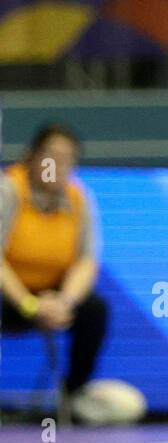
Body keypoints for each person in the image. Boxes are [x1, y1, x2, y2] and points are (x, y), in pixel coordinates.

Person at [1, 123, 110, 412]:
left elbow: (87, 261)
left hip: (52, 297)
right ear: (30, 156)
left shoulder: (78, 198)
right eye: (51, 156)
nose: (58, 166)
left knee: (94, 310)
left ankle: (73, 394)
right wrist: (28, 305)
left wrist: (65, 301)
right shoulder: (8, 189)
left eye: (67, 159)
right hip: (10, 296)